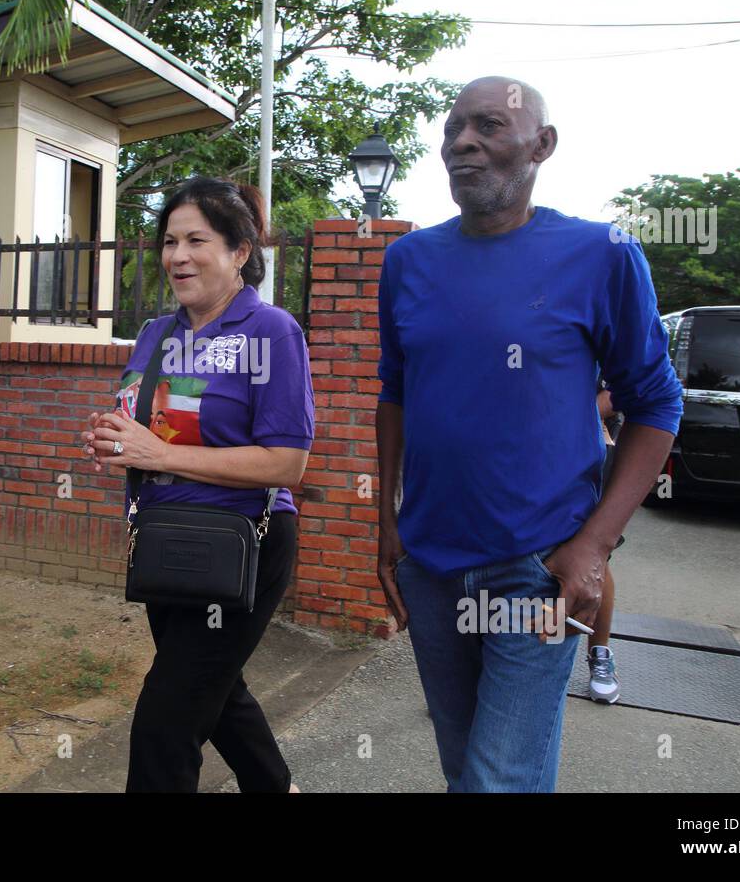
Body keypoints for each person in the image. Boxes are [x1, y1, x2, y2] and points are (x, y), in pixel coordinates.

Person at [375, 76, 683, 792]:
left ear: (541, 145)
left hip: (537, 567)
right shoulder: (408, 261)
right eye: (453, 129)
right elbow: (394, 393)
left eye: (487, 126)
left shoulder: (601, 254)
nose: (462, 143)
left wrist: (592, 547)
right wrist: (384, 522)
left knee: (493, 781)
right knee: (472, 767)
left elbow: (656, 404)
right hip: (431, 562)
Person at [81, 177, 315, 793]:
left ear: (239, 251)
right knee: (216, 690)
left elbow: (287, 463)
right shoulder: (158, 333)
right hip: (165, 540)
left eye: (196, 240)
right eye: (169, 241)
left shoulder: (269, 331)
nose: (177, 255)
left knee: (166, 721)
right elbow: (146, 429)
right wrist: (116, 440)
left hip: (243, 543)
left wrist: (160, 452)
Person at [589, 379, 623, 704]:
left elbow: (622, 388)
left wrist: (574, 417)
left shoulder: (610, 327)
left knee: (595, 552)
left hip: (593, 438)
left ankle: (599, 654)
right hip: (524, 437)